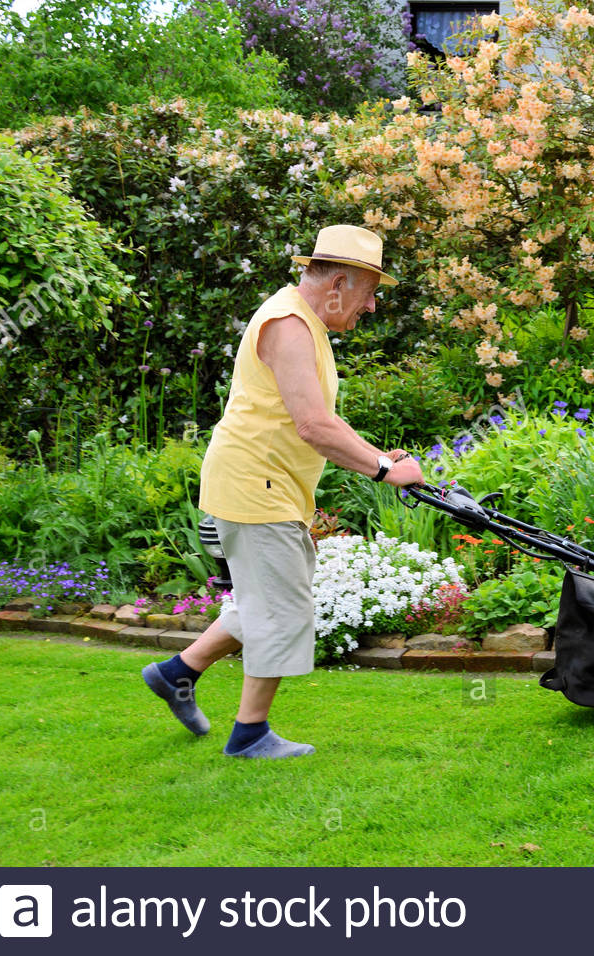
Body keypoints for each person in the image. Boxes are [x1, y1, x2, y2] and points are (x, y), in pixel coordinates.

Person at [141, 225, 424, 759]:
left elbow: (325, 419)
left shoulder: (302, 322)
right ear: (339, 281)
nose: (369, 308)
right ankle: (249, 736)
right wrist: (385, 472)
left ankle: (177, 673)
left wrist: (385, 458)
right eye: (369, 294)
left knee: (268, 599)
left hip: (267, 485)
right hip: (255, 487)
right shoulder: (290, 325)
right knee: (284, 610)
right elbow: (313, 426)